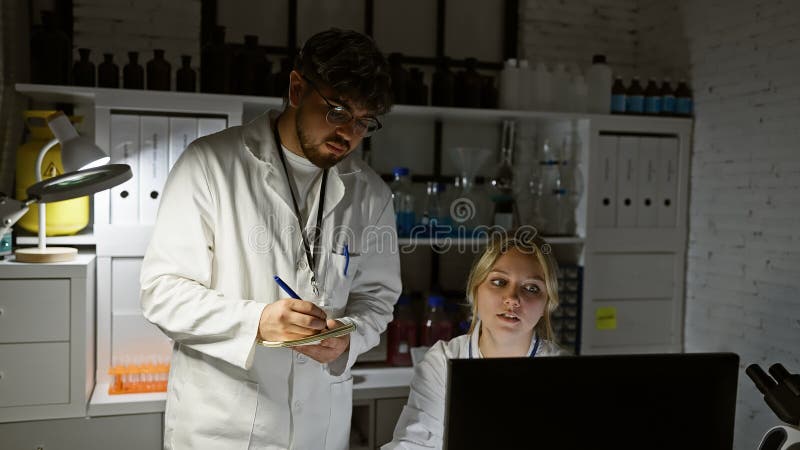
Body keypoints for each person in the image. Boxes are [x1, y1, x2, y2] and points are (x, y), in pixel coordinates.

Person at [140, 28, 401, 449]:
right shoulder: (209, 164)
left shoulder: (370, 193)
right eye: (337, 112)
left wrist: (348, 338)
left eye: (363, 122)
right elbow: (162, 292)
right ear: (297, 89)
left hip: (319, 427)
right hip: (222, 428)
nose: (348, 134)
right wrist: (257, 323)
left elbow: (377, 298)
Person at [384, 230, 567, 449]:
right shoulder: (443, 362)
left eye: (531, 288)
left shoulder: (564, 370)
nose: (512, 299)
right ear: (475, 290)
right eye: (499, 282)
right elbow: (413, 444)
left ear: (547, 304)